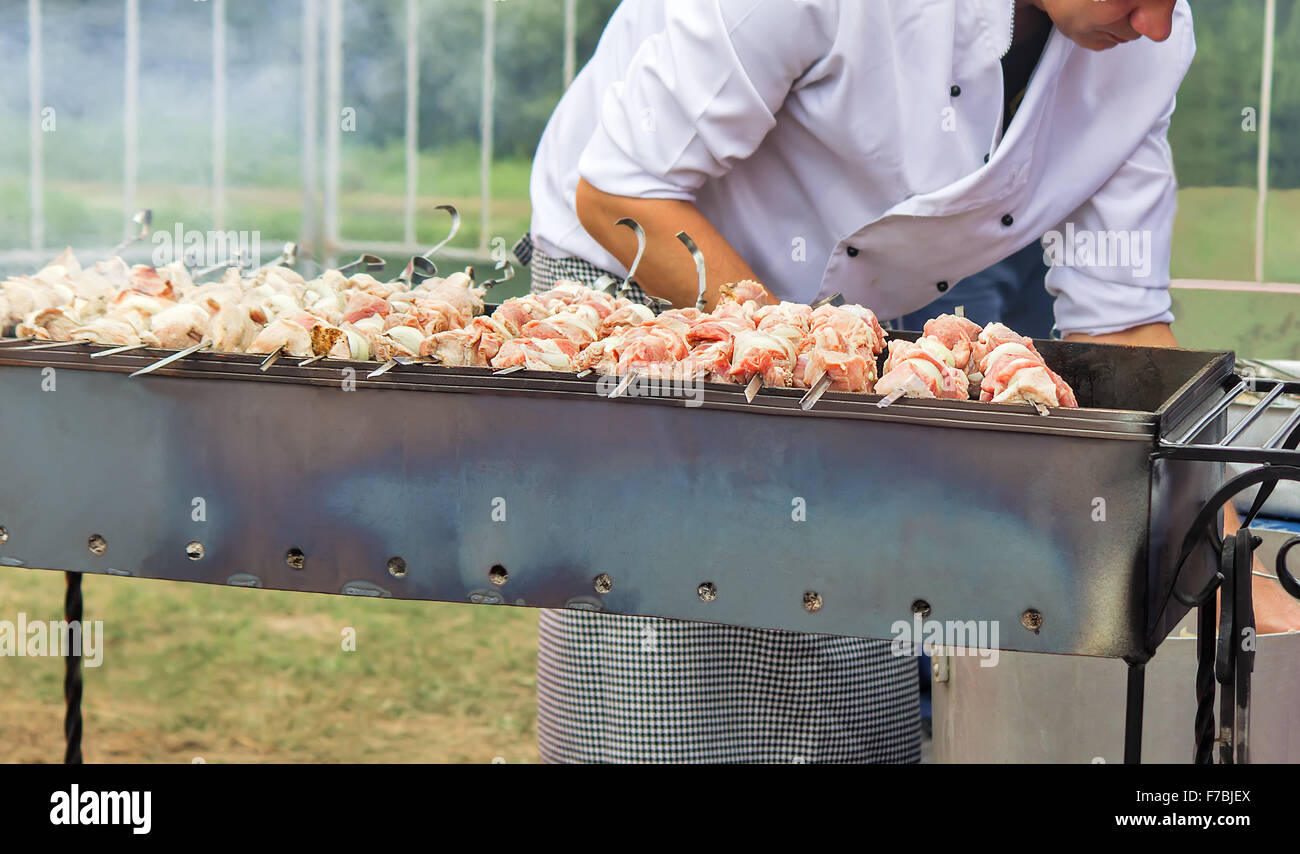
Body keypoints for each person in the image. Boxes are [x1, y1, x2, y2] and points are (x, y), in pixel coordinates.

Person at [518, 0, 1194, 764]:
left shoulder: (1146, 49)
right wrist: (797, 352)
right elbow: (620, 195)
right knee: (678, 654)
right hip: (644, 276)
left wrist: (1225, 562)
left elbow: (1125, 325)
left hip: (826, 324)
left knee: (847, 609)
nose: (1157, 25)